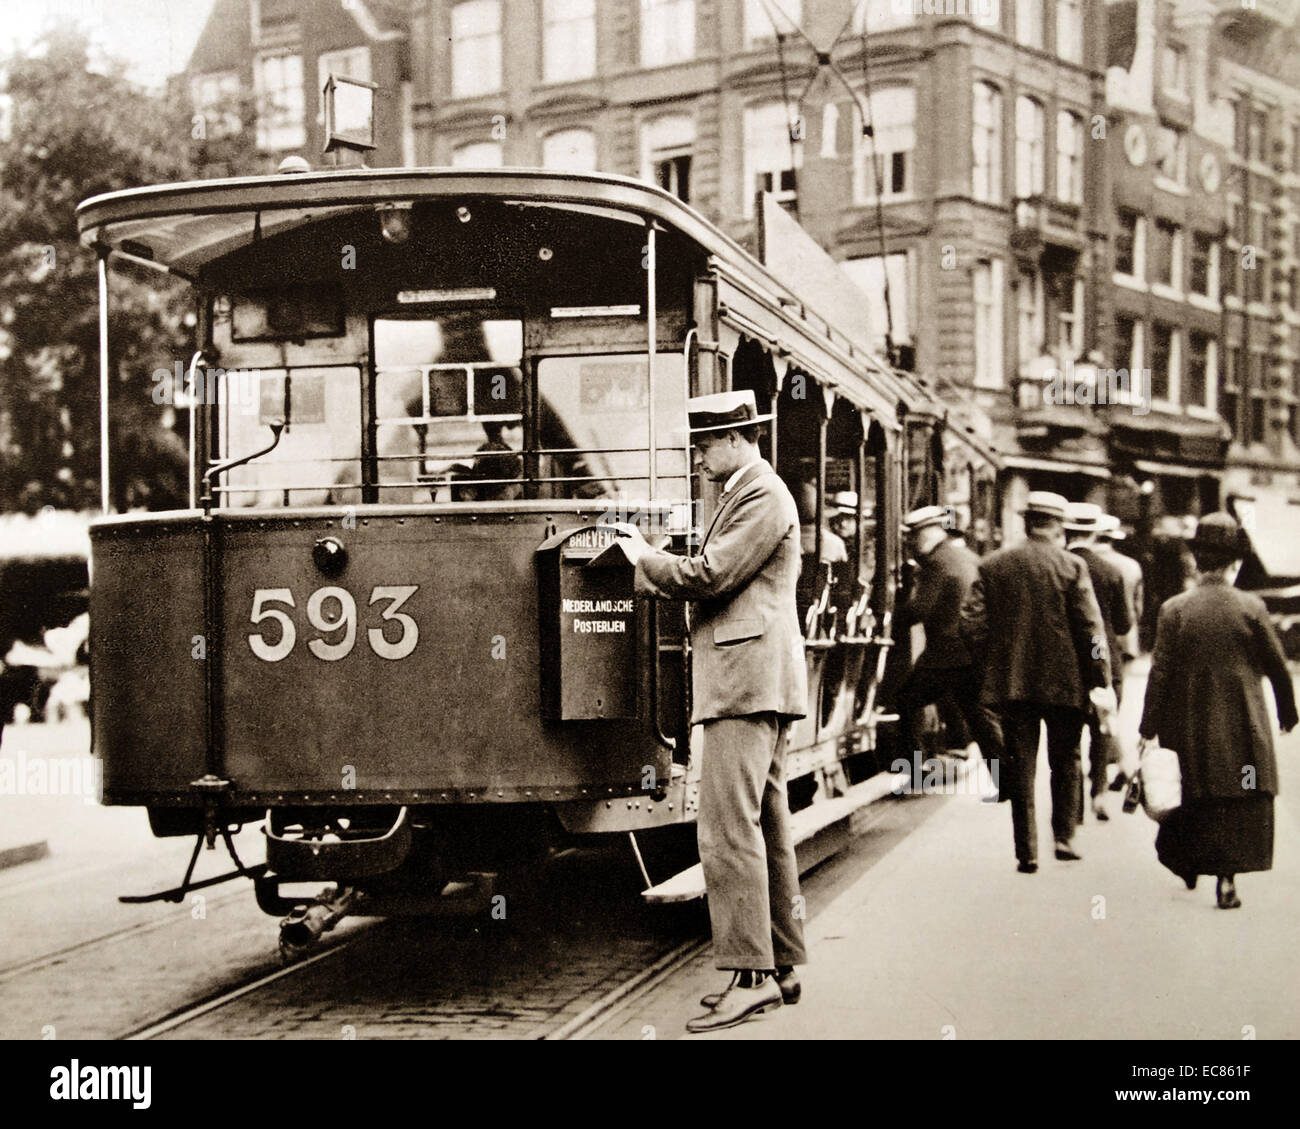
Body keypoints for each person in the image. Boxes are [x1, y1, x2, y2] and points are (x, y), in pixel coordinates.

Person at [612, 390, 808, 1033]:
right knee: (765, 823)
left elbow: (709, 576)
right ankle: (781, 963)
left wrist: (642, 556)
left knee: (726, 830)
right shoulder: (751, 491)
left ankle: (747, 976)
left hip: (744, 681)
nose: (697, 460)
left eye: (702, 447)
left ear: (733, 440)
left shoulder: (761, 495)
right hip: (757, 679)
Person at [1138, 512, 1297, 909]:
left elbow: (1160, 673)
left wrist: (1148, 726)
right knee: (1238, 794)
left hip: (1186, 719)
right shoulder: (1251, 607)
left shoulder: (1175, 609)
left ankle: (1188, 862)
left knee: (1192, 791)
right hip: (1243, 721)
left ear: (1196, 560)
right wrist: (1287, 712)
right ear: (1234, 563)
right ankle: (1227, 880)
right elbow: (1278, 666)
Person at [960, 491, 1115, 873]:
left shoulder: (995, 564)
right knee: (1066, 761)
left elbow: (969, 622)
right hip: (1066, 685)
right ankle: (1063, 838)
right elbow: (1092, 633)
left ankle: (1026, 852)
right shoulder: (1072, 566)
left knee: (1020, 766)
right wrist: (1101, 680)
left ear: (1027, 522)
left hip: (1014, 685)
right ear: (1059, 526)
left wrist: (993, 662)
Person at [895, 505, 1004, 784]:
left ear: (931, 532)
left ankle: (916, 768)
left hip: (945, 656)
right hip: (972, 653)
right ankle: (1007, 778)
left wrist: (892, 616)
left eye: (915, 535)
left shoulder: (937, 563)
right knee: (979, 717)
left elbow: (920, 609)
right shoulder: (967, 556)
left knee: (907, 700)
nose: (911, 542)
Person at [1063, 503, 1132, 822]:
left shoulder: (1061, 567)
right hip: (1106, 660)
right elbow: (1123, 625)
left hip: (1068, 662)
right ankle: (1099, 793)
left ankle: (1072, 807)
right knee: (1103, 726)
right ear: (1095, 532)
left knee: (1069, 735)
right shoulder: (1112, 571)